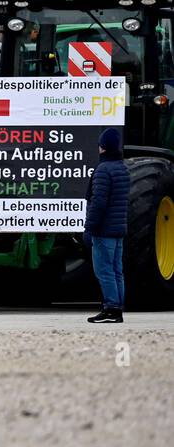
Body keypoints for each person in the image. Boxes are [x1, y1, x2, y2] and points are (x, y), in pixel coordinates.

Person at [83, 128, 130, 323]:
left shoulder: (103, 170)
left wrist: (89, 228)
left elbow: (99, 202)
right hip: (118, 229)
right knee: (116, 270)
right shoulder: (122, 168)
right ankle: (117, 308)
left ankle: (111, 308)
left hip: (103, 229)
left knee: (104, 270)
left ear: (102, 147)